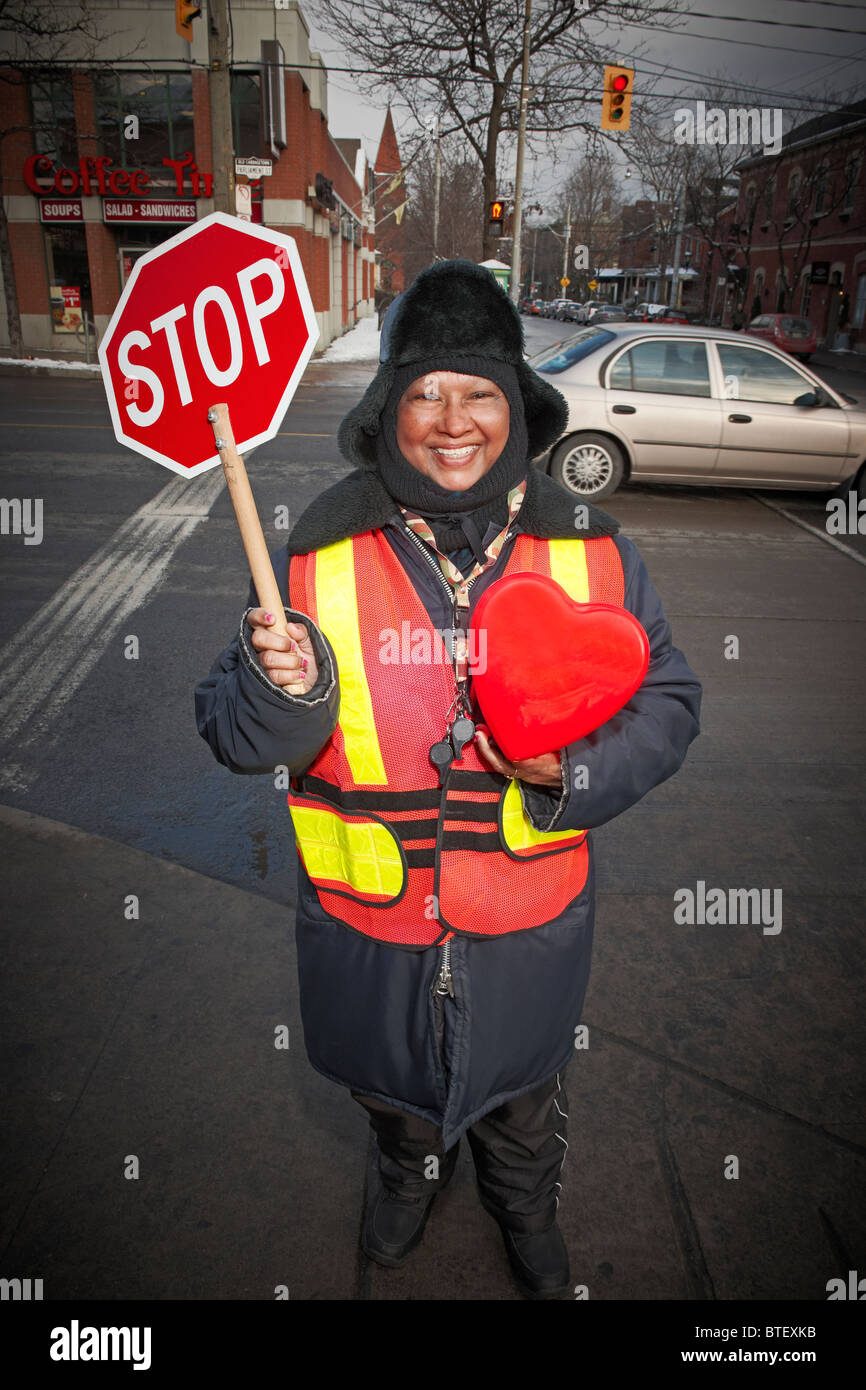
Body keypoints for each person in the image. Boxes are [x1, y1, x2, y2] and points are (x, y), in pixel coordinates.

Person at [194, 259, 702, 1299]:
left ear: (515, 405)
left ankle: (522, 1206)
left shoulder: (588, 545)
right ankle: (404, 1180)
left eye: (477, 390)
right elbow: (233, 730)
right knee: (396, 1104)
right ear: (389, 410)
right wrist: (274, 687)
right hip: (367, 934)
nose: (452, 419)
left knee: (523, 1101)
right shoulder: (316, 549)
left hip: (527, 929)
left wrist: (574, 767)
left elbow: (671, 699)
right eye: (425, 391)